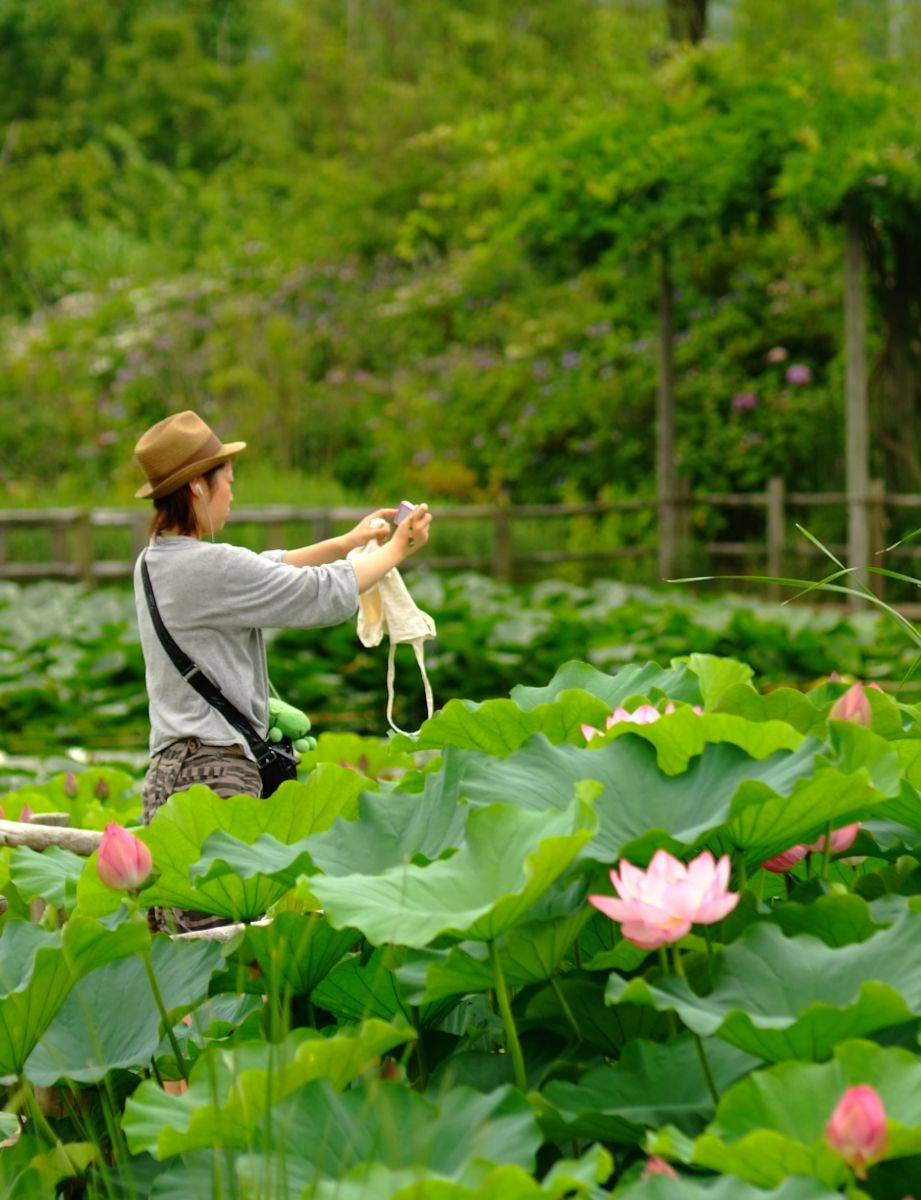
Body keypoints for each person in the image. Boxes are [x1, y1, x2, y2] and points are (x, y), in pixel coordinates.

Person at [131, 409, 431, 931]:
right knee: (220, 950)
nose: (232, 494)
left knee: (180, 953)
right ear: (198, 488)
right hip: (215, 774)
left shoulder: (155, 562)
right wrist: (397, 549)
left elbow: (265, 566)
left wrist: (344, 543)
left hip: (168, 776)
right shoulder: (208, 566)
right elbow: (317, 594)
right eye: (227, 482)